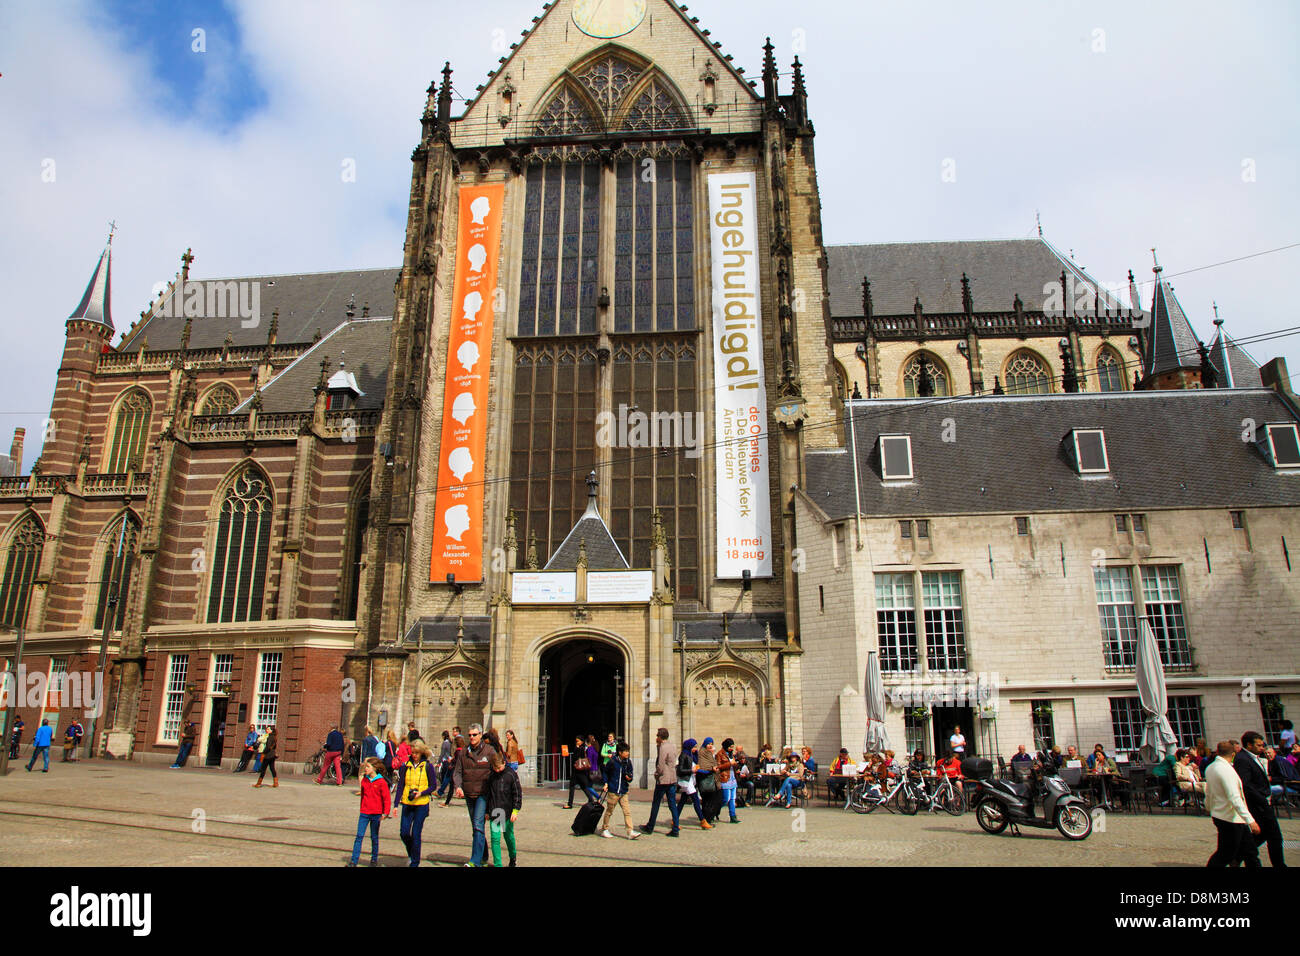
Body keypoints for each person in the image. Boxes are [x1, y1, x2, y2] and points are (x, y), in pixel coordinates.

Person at [1205, 740, 1259, 867]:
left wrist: (1208, 806)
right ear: (1233, 754)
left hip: (1226, 815)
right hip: (1230, 817)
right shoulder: (1225, 770)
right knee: (1226, 853)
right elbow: (1234, 797)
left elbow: (1208, 791)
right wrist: (1250, 820)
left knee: (1250, 851)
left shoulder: (1211, 767)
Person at [1235, 731, 1286, 867]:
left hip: (1262, 802)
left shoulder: (1254, 757)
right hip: (1259, 805)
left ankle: (1237, 857)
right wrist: (1262, 799)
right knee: (1274, 837)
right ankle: (1279, 865)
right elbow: (1246, 784)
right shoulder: (1242, 759)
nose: (1262, 748)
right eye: (1259, 745)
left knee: (1261, 836)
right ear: (1249, 745)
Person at [453, 722, 498, 867]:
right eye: (470, 735)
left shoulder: (489, 751)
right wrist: (458, 786)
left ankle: (475, 861)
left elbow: (497, 769)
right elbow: (458, 772)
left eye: (474, 735)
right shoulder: (463, 752)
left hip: (483, 794)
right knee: (476, 826)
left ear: (480, 735)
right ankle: (483, 855)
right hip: (469, 793)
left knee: (478, 825)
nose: (471, 737)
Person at [396, 741, 435, 867]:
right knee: (404, 833)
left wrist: (422, 793)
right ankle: (412, 854)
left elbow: (433, 786)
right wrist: (396, 804)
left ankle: (415, 862)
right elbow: (401, 785)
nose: (414, 755)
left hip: (421, 804)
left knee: (416, 833)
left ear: (421, 752)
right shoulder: (405, 766)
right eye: (412, 753)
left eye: (416, 753)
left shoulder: (428, 766)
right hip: (407, 803)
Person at [348, 757, 391, 867]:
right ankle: (354, 861)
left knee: (374, 837)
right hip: (364, 812)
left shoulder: (381, 782)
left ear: (374, 768)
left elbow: (386, 799)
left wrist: (385, 813)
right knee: (359, 836)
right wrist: (362, 768)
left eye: (368, 767)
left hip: (376, 813)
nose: (366, 769)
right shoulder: (365, 780)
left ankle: (374, 859)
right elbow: (362, 789)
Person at [640, 727, 682, 837]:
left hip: (663, 780)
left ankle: (650, 827)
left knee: (656, 804)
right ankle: (676, 828)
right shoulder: (672, 746)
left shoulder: (663, 747)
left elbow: (661, 764)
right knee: (672, 804)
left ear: (660, 737)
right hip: (672, 779)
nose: (656, 738)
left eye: (657, 736)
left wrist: (657, 774)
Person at [485, 751, 523, 866]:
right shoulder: (491, 775)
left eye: (499, 768)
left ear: (504, 763)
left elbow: (517, 793)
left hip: (507, 811)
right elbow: (488, 794)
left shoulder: (510, 774)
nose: (497, 770)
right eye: (495, 768)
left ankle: (513, 857)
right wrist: (487, 811)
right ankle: (498, 864)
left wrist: (515, 811)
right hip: (496, 811)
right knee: (495, 839)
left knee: (508, 836)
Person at [599, 739, 640, 840]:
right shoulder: (613, 761)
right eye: (625, 751)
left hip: (624, 790)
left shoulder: (628, 762)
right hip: (613, 790)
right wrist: (606, 783)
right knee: (609, 810)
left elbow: (631, 775)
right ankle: (604, 829)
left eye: (628, 751)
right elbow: (605, 772)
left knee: (627, 811)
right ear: (620, 752)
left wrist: (629, 778)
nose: (627, 753)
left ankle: (630, 831)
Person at [565, 734, 598, 809]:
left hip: (579, 771)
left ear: (581, 741)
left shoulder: (581, 748)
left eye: (578, 741)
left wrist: (576, 748)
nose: (577, 742)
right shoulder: (582, 748)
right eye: (576, 741)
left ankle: (570, 804)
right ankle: (591, 799)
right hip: (579, 772)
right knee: (582, 787)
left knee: (577, 786)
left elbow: (575, 757)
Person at [716, 738, 740, 823]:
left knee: (733, 799)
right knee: (726, 798)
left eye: (732, 747)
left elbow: (734, 764)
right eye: (730, 747)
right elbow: (718, 767)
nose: (731, 748)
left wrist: (736, 764)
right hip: (725, 778)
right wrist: (730, 764)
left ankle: (732, 816)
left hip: (732, 778)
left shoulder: (731, 754)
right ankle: (715, 810)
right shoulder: (720, 754)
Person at [697, 737, 720, 821]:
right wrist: (711, 768)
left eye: (711, 744)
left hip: (712, 780)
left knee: (712, 801)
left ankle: (708, 818)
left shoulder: (709, 753)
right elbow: (702, 766)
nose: (710, 746)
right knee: (707, 801)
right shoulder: (702, 753)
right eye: (709, 744)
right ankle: (706, 819)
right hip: (705, 780)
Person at [440, 735, 463, 807]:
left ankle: (446, 802)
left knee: (451, 787)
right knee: (452, 787)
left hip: (455, 771)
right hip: (458, 771)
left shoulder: (458, 751)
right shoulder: (463, 750)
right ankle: (446, 801)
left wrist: (451, 762)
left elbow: (457, 760)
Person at [436, 731, 454, 796]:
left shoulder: (445, 743)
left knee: (444, 777)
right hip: (450, 760)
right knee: (448, 777)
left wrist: (439, 762)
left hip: (445, 761)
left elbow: (442, 754)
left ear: (443, 736)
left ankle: (441, 791)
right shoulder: (450, 742)